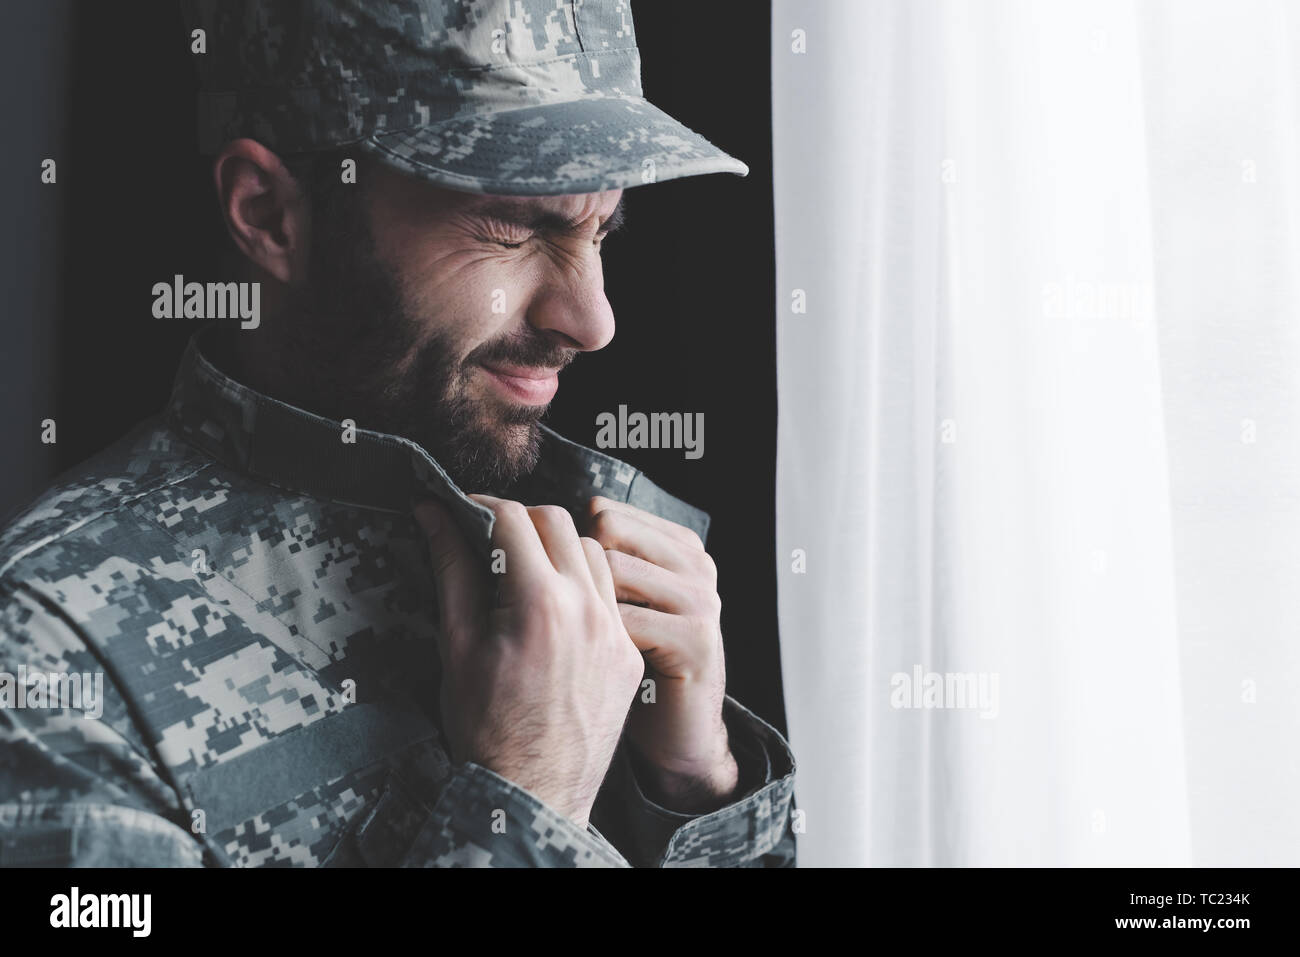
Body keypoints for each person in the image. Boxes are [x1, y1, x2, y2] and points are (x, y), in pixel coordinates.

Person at [0, 0, 796, 867]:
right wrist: (530, 800)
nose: (594, 318)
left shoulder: (610, 569)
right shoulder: (52, 667)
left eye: (601, 229)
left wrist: (692, 791)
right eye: (510, 228)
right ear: (269, 214)